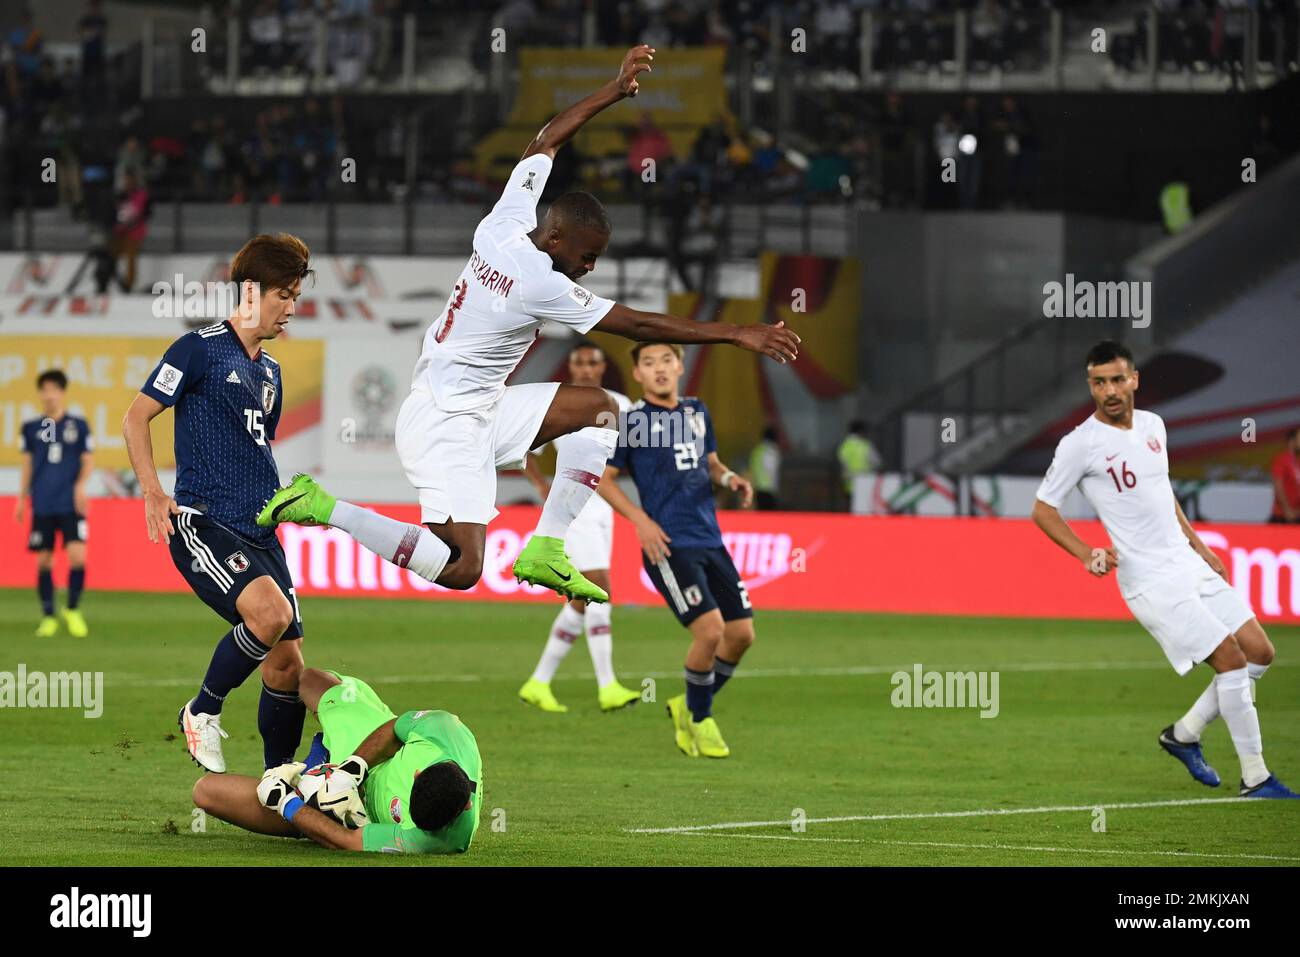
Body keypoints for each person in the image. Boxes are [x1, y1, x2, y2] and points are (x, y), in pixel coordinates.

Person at [256, 45, 798, 610]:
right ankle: (324, 507)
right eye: (588, 256)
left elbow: (546, 140)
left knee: (606, 408)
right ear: (558, 241)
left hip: (485, 407)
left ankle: (546, 547)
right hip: (446, 424)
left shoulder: (506, 223)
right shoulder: (541, 282)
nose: (590, 267)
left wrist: (613, 91)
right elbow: (635, 324)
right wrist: (737, 332)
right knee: (463, 567)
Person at [1032, 340, 1296, 799]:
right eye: (1099, 383)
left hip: (1185, 561)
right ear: (1090, 386)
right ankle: (1256, 778)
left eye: (1117, 379)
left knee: (1259, 651)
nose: (1109, 390)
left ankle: (1184, 734)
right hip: (1149, 578)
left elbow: (1162, 492)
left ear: (1134, 379)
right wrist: (1085, 552)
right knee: (1231, 661)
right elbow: (1043, 509)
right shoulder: (1080, 444)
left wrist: (1199, 546)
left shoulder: (1154, 425)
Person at [122, 234, 311, 775]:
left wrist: (283, 502)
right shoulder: (198, 348)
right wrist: (153, 491)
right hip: (205, 522)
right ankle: (201, 709)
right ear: (251, 291)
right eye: (284, 295)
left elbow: (254, 449)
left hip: (260, 531)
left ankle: (282, 778)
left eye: (295, 297)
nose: (291, 309)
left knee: (287, 665)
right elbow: (136, 418)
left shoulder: (271, 372)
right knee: (269, 615)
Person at [599, 343, 755, 759]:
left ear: (681, 366)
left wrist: (731, 480)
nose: (659, 369)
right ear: (637, 375)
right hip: (667, 545)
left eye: (667, 360)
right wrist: (641, 521)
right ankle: (700, 721)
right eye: (648, 363)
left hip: (710, 539)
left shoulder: (696, 412)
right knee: (710, 632)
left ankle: (688, 702)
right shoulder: (633, 423)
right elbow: (604, 479)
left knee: (741, 635)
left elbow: (712, 464)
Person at [194, 668, 482, 854]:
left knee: (206, 792)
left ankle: (303, 778)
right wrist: (352, 767)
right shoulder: (445, 731)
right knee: (307, 680)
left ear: (464, 808)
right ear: (418, 774)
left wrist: (287, 804)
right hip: (370, 751)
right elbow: (395, 728)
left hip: (347, 813)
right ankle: (296, 762)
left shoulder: (437, 839)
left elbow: (344, 841)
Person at [519, 341, 641, 714]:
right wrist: (541, 484)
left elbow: (636, 451)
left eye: (593, 362)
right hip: (576, 506)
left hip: (605, 507)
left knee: (581, 599)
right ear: (571, 368)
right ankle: (608, 686)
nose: (587, 368)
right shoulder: (560, 402)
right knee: (599, 588)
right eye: (580, 363)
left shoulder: (622, 402)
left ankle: (539, 682)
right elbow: (525, 448)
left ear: (603, 367)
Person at [16, 370, 94, 638]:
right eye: (44, 390)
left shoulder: (78, 425)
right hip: (44, 504)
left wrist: (81, 486)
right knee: (44, 561)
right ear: (39, 394)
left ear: (62, 392)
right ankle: (48, 615)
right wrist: (21, 498)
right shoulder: (31, 428)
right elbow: (27, 465)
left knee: (77, 557)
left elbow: (87, 460)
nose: (48, 395)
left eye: (53, 389)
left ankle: (72, 609)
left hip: (71, 504)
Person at [837, 420, 874, 506]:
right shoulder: (866, 445)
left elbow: (842, 464)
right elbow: (877, 463)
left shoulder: (845, 446)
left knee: (852, 508)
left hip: (850, 485)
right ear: (861, 431)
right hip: (865, 483)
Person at [1269, 427, 1300, 523]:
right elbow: (1279, 486)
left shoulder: (1297, 462)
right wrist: (1287, 510)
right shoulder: (1282, 460)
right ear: (1292, 441)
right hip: (1282, 516)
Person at [748, 426, 780, 510]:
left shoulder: (757, 450)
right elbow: (772, 469)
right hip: (768, 489)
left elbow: (752, 469)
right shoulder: (771, 450)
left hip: (758, 488)